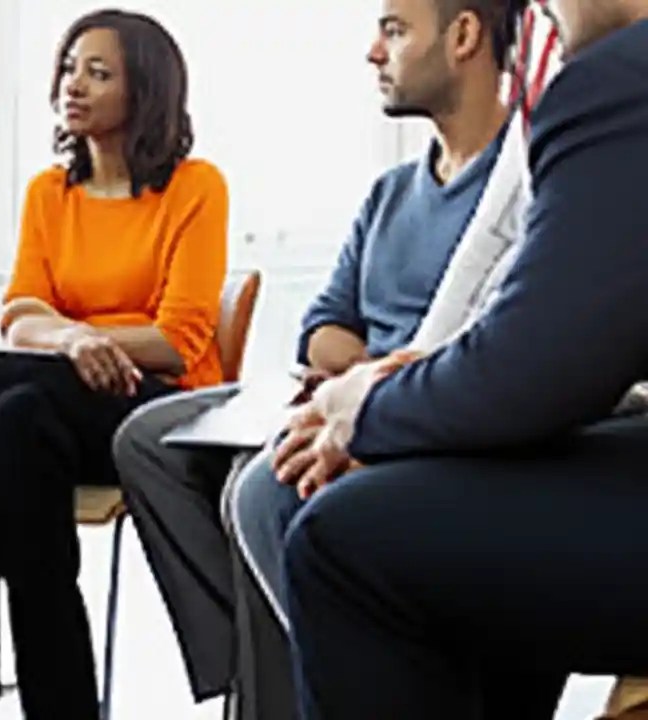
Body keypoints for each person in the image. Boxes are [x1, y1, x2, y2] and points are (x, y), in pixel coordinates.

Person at [112, 0, 523, 715]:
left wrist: (376, 381)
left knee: (265, 479)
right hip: (346, 392)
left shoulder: (519, 188)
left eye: (394, 31)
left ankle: (293, 687)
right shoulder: (390, 194)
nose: (372, 52)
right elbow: (322, 329)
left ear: (463, 37)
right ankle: (258, 671)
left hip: (425, 415)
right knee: (150, 440)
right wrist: (360, 369)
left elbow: (493, 346)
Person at [274, 0, 648, 717]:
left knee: (343, 538)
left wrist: (365, 410)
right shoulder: (392, 193)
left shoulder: (618, 84)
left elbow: (532, 372)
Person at [0, 9, 228, 719]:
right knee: (15, 420)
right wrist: (75, 342)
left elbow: (178, 341)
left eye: (99, 73)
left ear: (147, 92)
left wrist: (76, 337)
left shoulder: (196, 187)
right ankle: (60, 708)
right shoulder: (51, 192)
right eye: (70, 67)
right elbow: (21, 312)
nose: (74, 84)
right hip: (60, 411)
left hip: (158, 413)